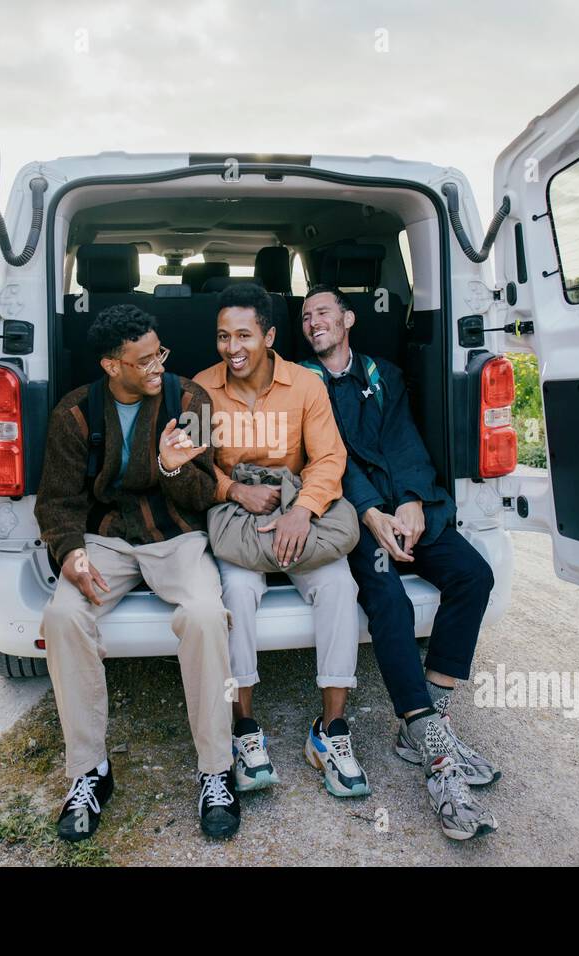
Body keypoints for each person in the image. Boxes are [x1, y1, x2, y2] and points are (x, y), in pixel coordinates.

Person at [299, 283, 500, 840]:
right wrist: (371, 514)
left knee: (472, 576)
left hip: (409, 503)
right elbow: (325, 457)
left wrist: (411, 498)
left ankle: (428, 717)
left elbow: (406, 438)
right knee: (387, 599)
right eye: (305, 316)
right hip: (352, 511)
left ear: (348, 318)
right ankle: (433, 746)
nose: (314, 321)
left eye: (323, 312)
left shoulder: (382, 372)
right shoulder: (300, 380)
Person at [34, 303, 240, 841]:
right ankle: (89, 773)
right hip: (105, 540)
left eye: (160, 354)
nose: (157, 367)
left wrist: (173, 466)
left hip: (176, 535)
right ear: (111, 365)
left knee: (203, 615)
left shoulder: (189, 399)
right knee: (61, 616)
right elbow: (57, 501)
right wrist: (70, 552)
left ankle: (216, 770)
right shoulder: (74, 414)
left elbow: (203, 495)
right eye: (143, 361)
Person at [194, 282, 369, 799]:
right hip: (237, 521)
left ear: (269, 336)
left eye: (244, 335)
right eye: (224, 337)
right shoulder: (200, 389)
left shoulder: (305, 386)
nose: (233, 348)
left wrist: (302, 510)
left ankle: (331, 732)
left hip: (296, 512)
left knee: (339, 586)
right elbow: (191, 465)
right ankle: (244, 730)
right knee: (239, 595)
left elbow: (329, 458)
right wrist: (232, 490)